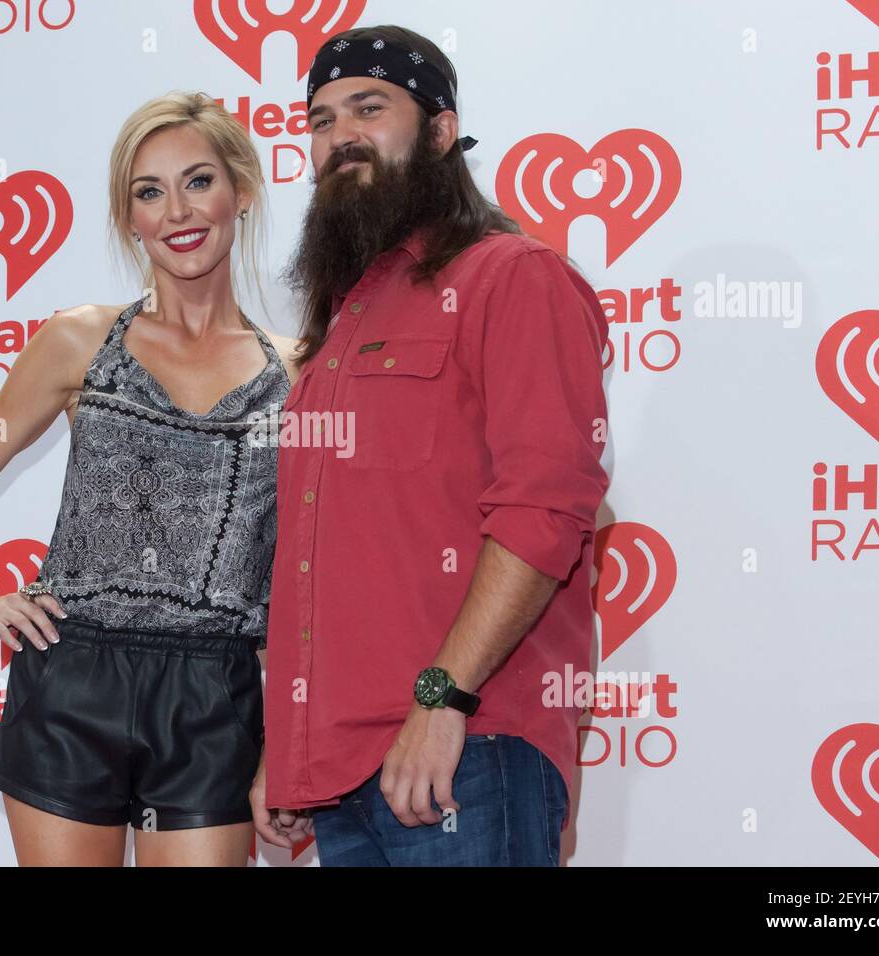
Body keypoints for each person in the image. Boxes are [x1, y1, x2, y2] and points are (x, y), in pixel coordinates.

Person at [250, 25, 612, 866]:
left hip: (465, 747)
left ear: (442, 132)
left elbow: (545, 506)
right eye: (321, 119)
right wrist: (287, 749)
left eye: (369, 109)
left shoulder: (513, 277)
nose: (340, 135)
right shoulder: (340, 325)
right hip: (343, 775)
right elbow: (317, 561)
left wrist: (442, 698)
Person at [0, 91, 300, 866]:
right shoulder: (78, 341)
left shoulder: (297, 371)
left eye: (198, 181)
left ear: (243, 190)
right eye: (148, 191)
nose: (177, 211)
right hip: (72, 682)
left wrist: (293, 743)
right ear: (128, 217)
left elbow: (319, 576)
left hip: (215, 695)